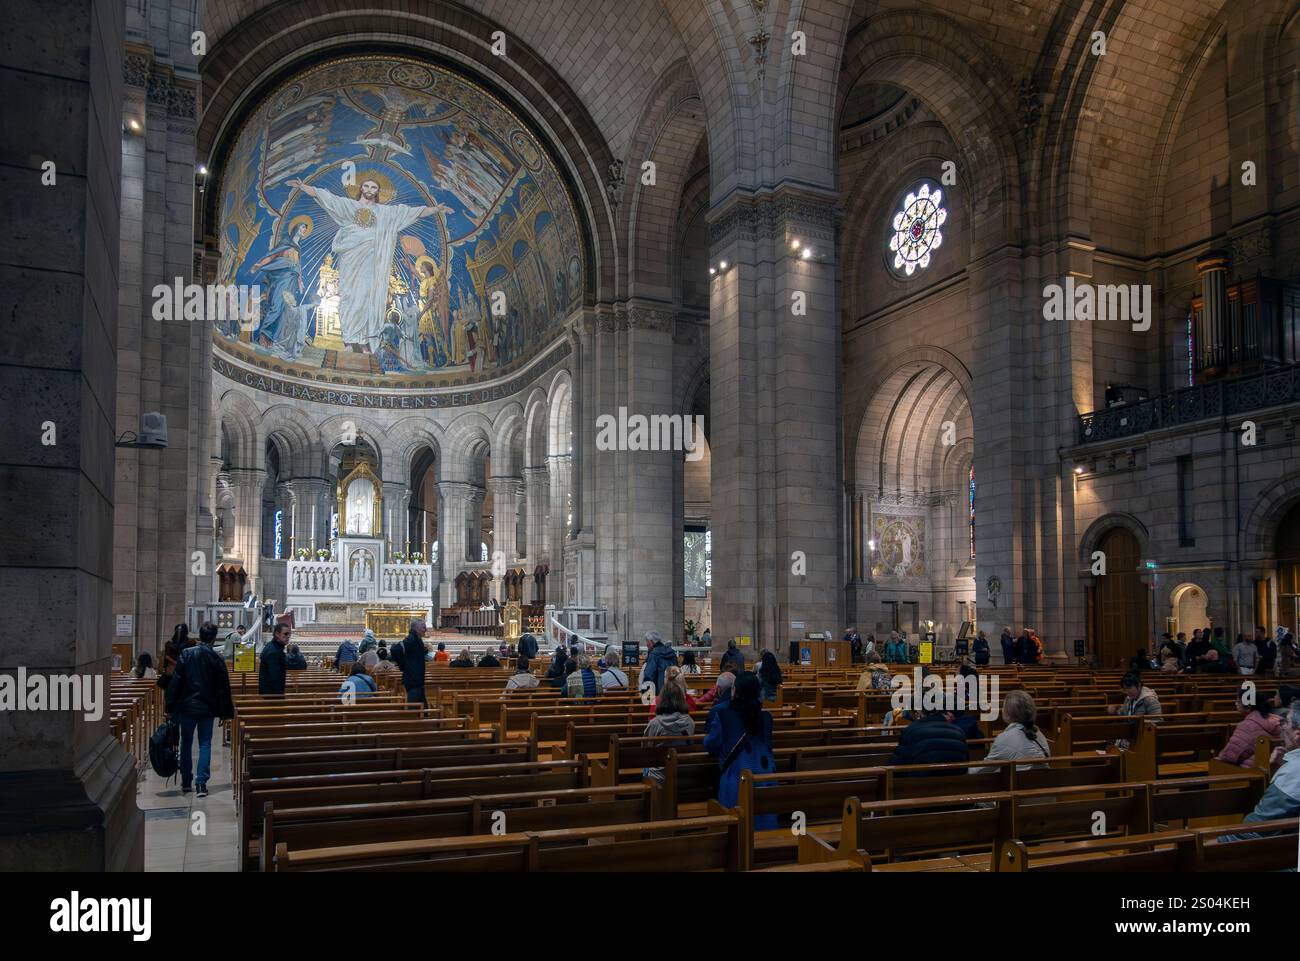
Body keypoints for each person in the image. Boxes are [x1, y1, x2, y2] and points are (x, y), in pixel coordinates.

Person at [165, 622, 234, 797]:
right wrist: (225, 712)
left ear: (200, 636)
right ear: (213, 638)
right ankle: (201, 783)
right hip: (207, 708)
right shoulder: (215, 657)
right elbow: (224, 687)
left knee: (186, 743)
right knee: (205, 744)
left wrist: (170, 707)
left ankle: (186, 781)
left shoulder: (186, 654)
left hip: (187, 707)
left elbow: (176, 683)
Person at [1218, 701, 1300, 841]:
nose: (1283, 727)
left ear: (1297, 734)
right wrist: (1275, 769)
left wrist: (1215, 844)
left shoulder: (1293, 774)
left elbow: (1254, 830)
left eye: (1286, 722)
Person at [703, 672, 776, 827]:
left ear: (735, 691)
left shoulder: (724, 715)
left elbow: (710, 744)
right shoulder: (767, 718)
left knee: (736, 830)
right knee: (764, 828)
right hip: (766, 781)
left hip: (736, 779)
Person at [970, 690, 1051, 773]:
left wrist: (964, 770)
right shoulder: (1038, 733)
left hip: (1020, 783)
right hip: (1043, 782)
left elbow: (984, 769)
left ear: (1008, 713)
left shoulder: (1004, 739)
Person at [887, 703, 968, 773]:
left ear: (918, 712)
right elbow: (966, 762)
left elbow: (898, 764)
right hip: (959, 786)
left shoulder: (911, 731)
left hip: (920, 786)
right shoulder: (958, 730)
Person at [643, 679, 696, 783]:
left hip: (658, 775)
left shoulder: (655, 723)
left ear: (662, 699)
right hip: (682, 772)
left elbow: (645, 748)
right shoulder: (689, 722)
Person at [1215, 684, 1282, 768]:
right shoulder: (1276, 721)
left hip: (1251, 772)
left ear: (1248, 707)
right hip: (1270, 768)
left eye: (1238, 701)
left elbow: (1229, 756)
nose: (1235, 703)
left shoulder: (1247, 726)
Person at [391, 619, 429, 705]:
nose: (426, 630)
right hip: (413, 681)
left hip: (417, 680)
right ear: (416, 628)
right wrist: (404, 665)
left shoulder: (417, 639)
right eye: (424, 627)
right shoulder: (411, 640)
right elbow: (394, 650)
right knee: (414, 710)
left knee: (422, 709)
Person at [642, 631, 679, 697]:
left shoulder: (654, 654)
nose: (646, 644)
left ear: (651, 642)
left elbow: (649, 675)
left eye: (647, 641)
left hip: (659, 692)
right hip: (674, 690)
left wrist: (646, 695)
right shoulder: (672, 653)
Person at [258, 622, 290, 695]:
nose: (288, 636)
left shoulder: (274, 647)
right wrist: (279, 696)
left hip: (270, 693)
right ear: (277, 634)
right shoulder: (273, 652)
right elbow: (274, 677)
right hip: (272, 695)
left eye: (289, 634)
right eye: (285, 634)